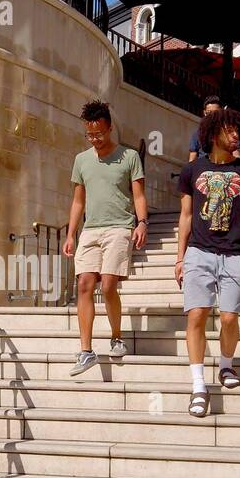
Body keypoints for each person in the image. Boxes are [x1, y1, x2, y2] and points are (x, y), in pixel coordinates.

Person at [176, 107, 240, 417]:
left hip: (234, 253)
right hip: (199, 252)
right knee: (197, 315)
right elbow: (187, 215)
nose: (236, 136)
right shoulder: (192, 171)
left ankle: (226, 365)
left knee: (229, 318)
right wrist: (180, 257)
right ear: (214, 133)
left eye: (237, 130)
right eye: (230, 130)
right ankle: (198, 386)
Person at [63, 101, 149, 377]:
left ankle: (116, 336)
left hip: (119, 227)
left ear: (109, 128)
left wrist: (142, 222)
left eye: (99, 133)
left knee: (109, 285)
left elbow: (138, 195)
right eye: (90, 135)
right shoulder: (81, 160)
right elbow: (78, 201)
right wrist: (70, 234)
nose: (95, 139)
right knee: (85, 284)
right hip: (90, 229)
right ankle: (86, 351)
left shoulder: (130, 157)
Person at [187, 95, 223, 163]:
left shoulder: (228, 133)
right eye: (209, 113)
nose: (212, 116)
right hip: (203, 170)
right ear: (204, 113)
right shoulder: (198, 133)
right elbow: (192, 160)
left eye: (215, 113)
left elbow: (236, 155)